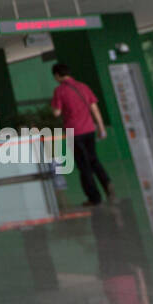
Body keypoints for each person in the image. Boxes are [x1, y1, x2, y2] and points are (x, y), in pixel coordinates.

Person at [50, 63, 113, 206]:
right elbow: (95, 109)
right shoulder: (84, 87)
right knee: (93, 160)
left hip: (74, 132)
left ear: (57, 75)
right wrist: (101, 128)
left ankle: (94, 198)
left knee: (83, 166)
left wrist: (53, 107)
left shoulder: (60, 90)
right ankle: (107, 183)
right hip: (89, 129)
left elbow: (56, 112)